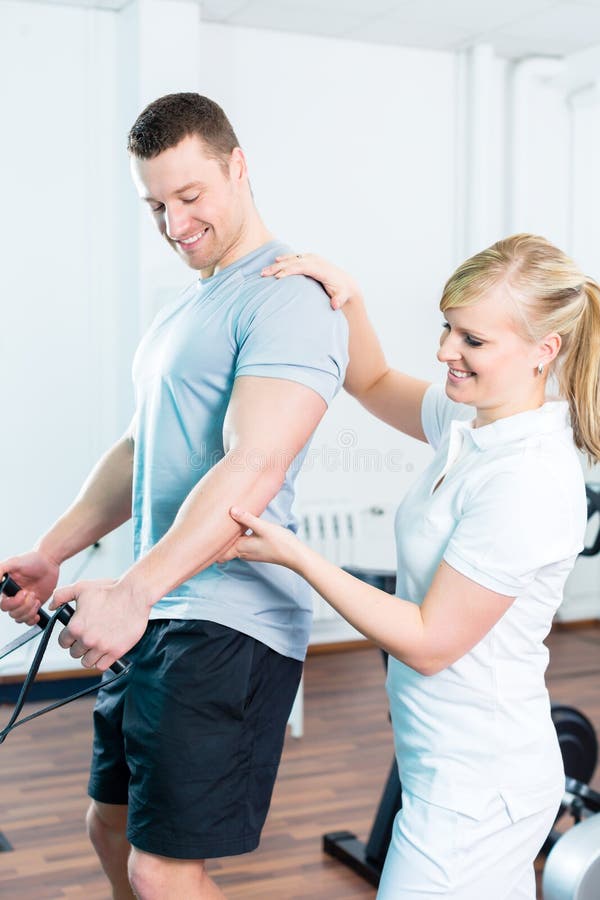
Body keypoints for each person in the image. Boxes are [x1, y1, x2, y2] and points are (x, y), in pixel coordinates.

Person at [0, 93, 348, 900]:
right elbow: (138, 450)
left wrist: (133, 591)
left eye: (190, 197)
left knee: (163, 871)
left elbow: (254, 464)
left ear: (238, 166)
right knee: (110, 827)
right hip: (156, 611)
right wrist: (51, 555)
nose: (174, 222)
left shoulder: (288, 297)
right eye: (156, 204)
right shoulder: (183, 309)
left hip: (230, 621)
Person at [219, 235, 600, 899]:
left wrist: (298, 555)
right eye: (447, 328)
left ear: (545, 351)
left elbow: (428, 642)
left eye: (472, 340)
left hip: (477, 791)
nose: (445, 351)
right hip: (451, 769)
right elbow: (369, 381)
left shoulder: (528, 479)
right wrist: (349, 296)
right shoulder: (473, 422)